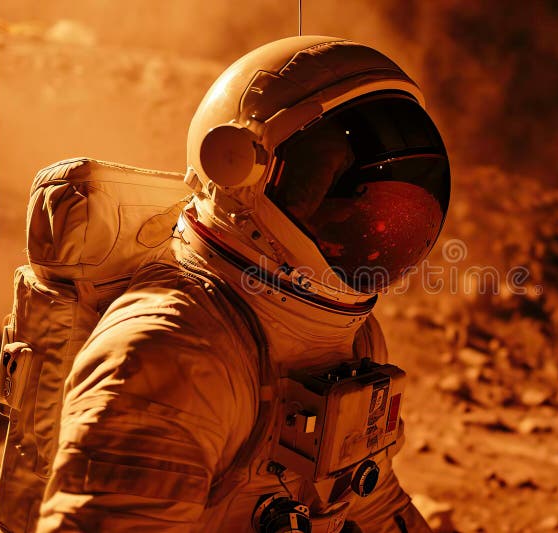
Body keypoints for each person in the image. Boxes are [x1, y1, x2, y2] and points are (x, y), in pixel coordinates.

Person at [35, 36, 451, 532]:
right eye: (324, 184)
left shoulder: (352, 336)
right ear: (238, 171)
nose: (358, 218)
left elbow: (371, 500)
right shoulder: (175, 354)